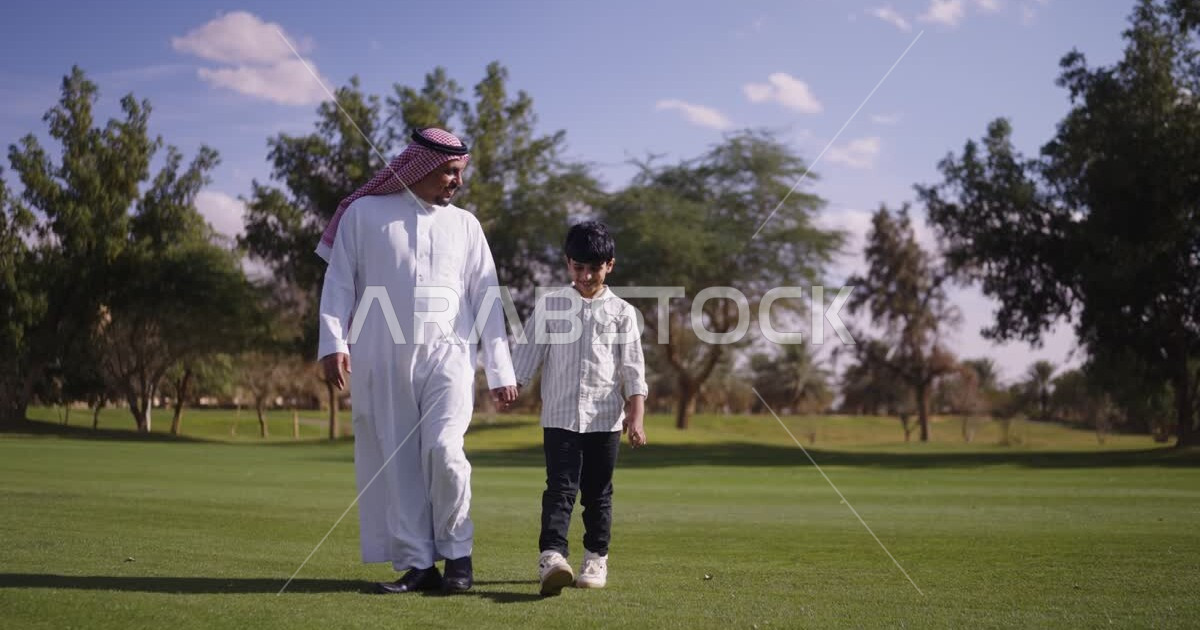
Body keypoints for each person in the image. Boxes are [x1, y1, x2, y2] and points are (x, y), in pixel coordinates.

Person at [316, 128, 518, 595]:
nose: (457, 182)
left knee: (446, 452)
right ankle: (417, 565)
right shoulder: (364, 215)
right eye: (450, 172)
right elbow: (340, 283)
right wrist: (332, 343)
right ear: (422, 167)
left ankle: (458, 556)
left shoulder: (466, 225)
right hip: (381, 356)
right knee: (398, 460)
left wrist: (500, 369)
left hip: (451, 355)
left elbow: (487, 299)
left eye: (460, 172)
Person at [512, 221, 648, 596]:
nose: (586, 276)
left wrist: (635, 416)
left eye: (595, 268)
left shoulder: (622, 312)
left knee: (598, 493)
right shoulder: (551, 305)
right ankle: (552, 557)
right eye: (578, 267)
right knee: (559, 489)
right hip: (560, 417)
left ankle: (595, 559)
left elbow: (633, 369)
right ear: (568, 264)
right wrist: (512, 384)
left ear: (610, 265)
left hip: (605, 421)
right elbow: (527, 352)